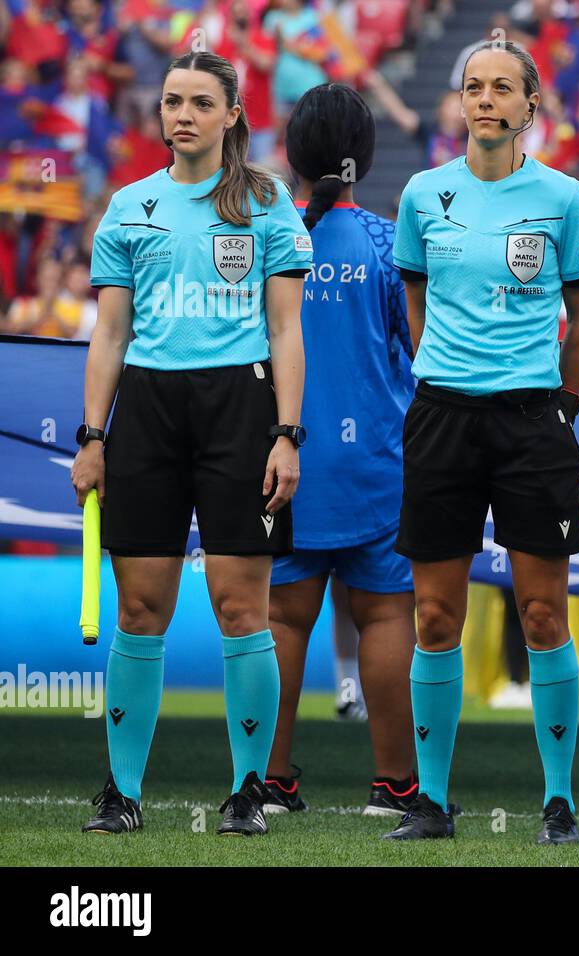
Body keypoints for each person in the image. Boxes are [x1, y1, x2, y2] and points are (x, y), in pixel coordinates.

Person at [71, 51, 312, 836]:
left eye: (201, 103)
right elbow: (109, 335)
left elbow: (285, 331)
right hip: (146, 408)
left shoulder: (270, 203)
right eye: (173, 101)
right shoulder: (129, 206)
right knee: (142, 608)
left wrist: (286, 434)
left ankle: (247, 793)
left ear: (232, 114)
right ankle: (123, 794)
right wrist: (92, 437)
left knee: (242, 607)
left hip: (240, 409)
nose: (183, 114)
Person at [382, 39, 579, 845]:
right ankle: (431, 803)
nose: (484, 99)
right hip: (441, 416)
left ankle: (558, 801)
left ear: (529, 106)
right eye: (473, 86)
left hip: (530, 420)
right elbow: (416, 302)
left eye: (501, 88)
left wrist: (563, 404)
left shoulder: (563, 197)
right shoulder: (420, 193)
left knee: (543, 610)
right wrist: (442, 373)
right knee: (436, 615)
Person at [260, 82, 420, 819]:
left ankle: (271, 778)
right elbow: (415, 351)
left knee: (282, 621)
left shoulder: (269, 239)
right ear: (366, 157)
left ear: (293, 155)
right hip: (379, 463)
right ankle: (393, 786)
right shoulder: (390, 245)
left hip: (284, 463)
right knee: (387, 619)